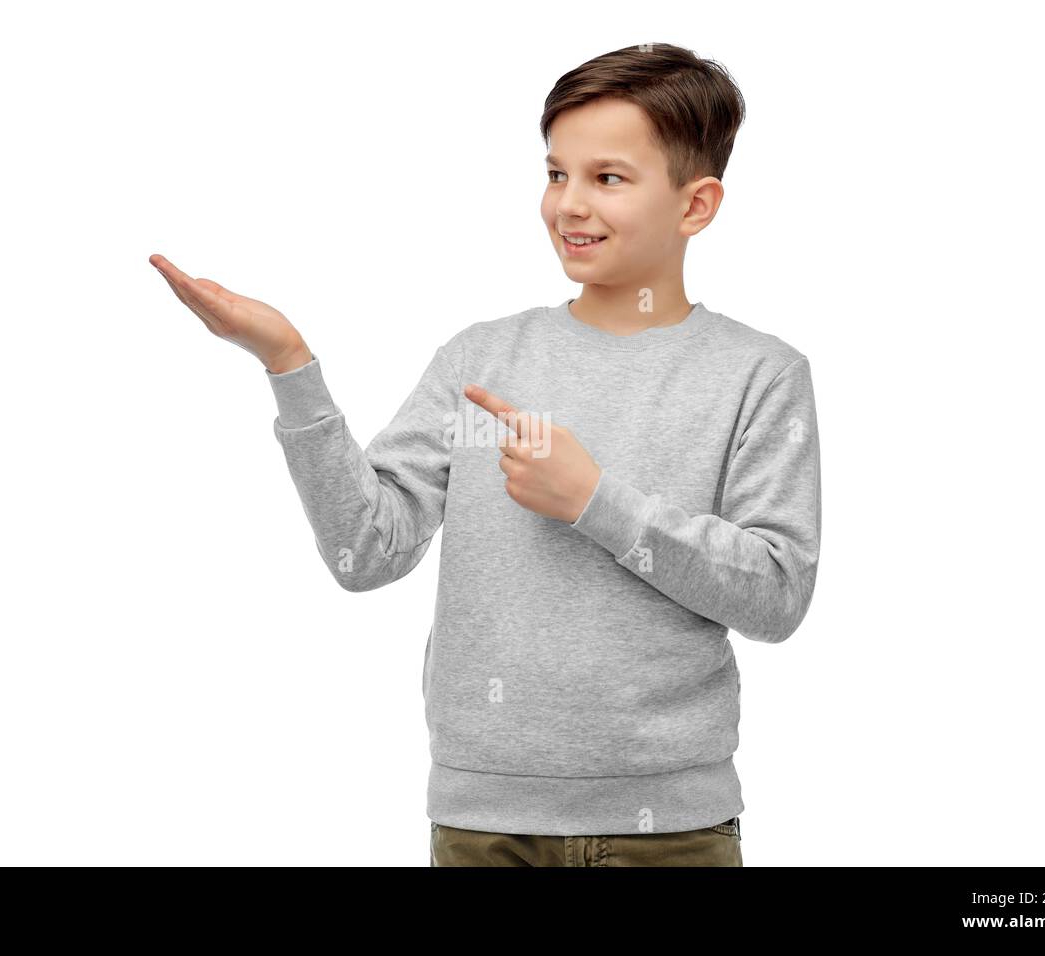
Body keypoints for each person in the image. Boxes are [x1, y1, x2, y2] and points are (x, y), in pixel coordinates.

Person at [149, 42, 820, 867]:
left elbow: (777, 597)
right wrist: (289, 364)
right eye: (554, 174)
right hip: (484, 820)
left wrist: (593, 500)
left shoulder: (759, 374)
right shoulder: (481, 360)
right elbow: (366, 552)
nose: (568, 205)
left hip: (671, 829)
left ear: (696, 205)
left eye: (607, 178)